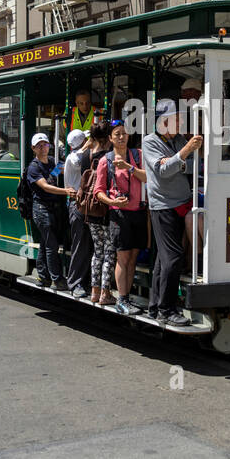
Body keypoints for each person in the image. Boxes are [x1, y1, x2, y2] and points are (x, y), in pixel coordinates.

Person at [141, 99, 203, 327]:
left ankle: (156, 307)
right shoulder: (150, 141)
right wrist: (185, 153)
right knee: (173, 258)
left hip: (180, 204)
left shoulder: (177, 140)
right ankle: (167, 310)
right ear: (163, 121)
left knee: (162, 260)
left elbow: (193, 166)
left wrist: (180, 159)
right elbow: (164, 171)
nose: (180, 121)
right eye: (177, 118)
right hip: (163, 207)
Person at [95, 121, 148, 315]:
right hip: (118, 214)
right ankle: (122, 299)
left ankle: (127, 298)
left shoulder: (138, 155)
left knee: (133, 257)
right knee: (123, 257)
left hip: (139, 213)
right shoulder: (105, 160)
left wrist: (128, 167)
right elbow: (98, 192)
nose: (121, 137)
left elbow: (148, 178)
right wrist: (113, 201)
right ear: (110, 138)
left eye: (124, 133)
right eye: (117, 134)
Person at [26, 132, 75, 289]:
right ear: (33, 148)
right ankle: (58, 279)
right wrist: (66, 191)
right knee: (51, 246)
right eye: (39, 145)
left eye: (45, 144)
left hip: (53, 209)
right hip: (41, 210)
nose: (43, 148)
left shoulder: (52, 161)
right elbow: (46, 187)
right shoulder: (33, 168)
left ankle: (43, 276)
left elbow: (62, 169)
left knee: (46, 243)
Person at [76, 122, 114, 305]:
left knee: (97, 252)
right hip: (105, 208)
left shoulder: (85, 156)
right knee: (109, 252)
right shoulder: (108, 157)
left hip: (90, 209)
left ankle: (94, 291)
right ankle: (105, 293)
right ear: (108, 138)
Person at [63, 128, 93, 300]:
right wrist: (87, 146)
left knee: (87, 244)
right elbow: (77, 160)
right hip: (77, 205)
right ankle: (75, 283)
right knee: (80, 244)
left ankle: (85, 280)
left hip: (84, 205)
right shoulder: (73, 158)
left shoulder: (78, 155)